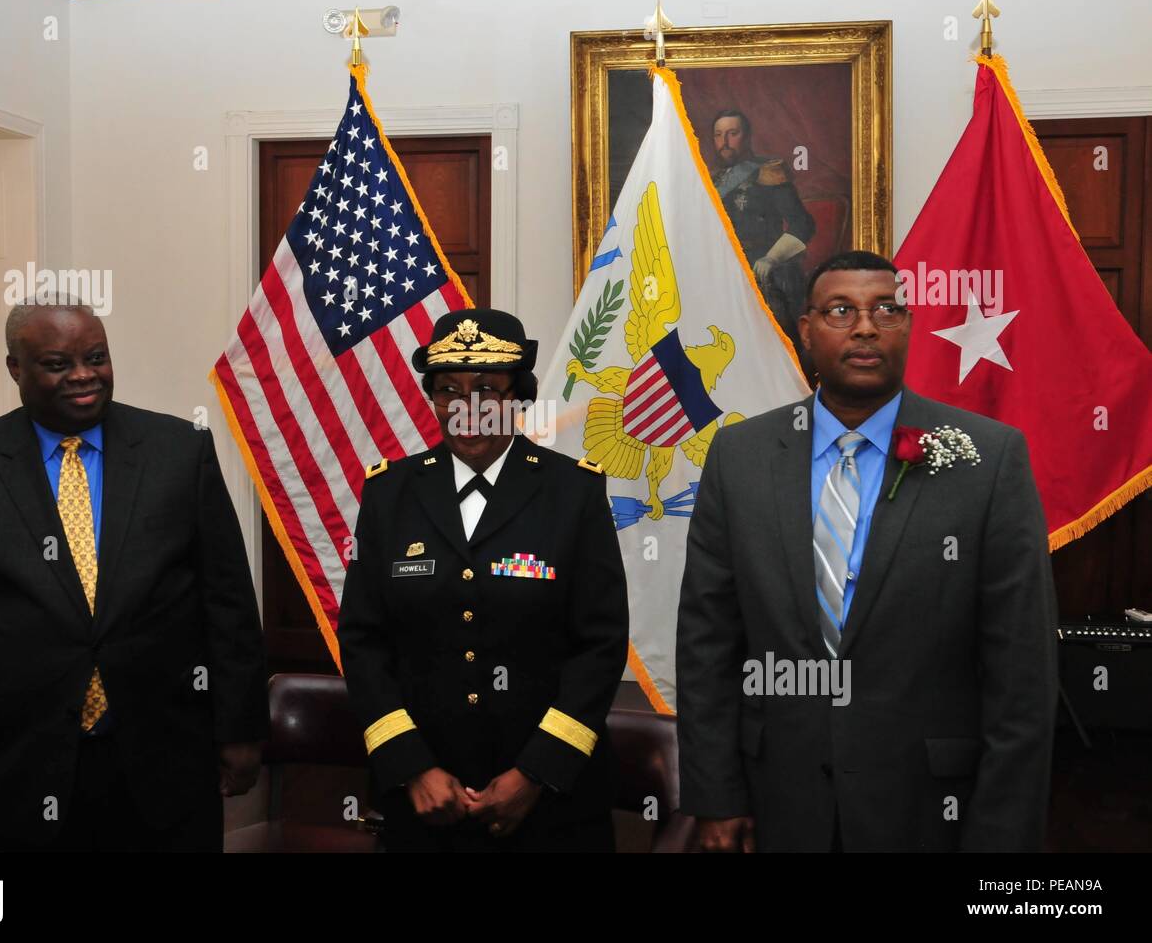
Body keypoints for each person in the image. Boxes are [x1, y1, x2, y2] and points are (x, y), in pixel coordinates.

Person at [676, 251, 1058, 852]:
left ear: (909, 326)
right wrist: (715, 797)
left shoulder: (987, 458)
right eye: (840, 310)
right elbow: (707, 644)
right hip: (777, 804)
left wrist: (1002, 836)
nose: (864, 327)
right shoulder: (739, 456)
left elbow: (1022, 671)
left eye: (887, 309)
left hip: (932, 813)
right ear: (806, 330)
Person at [0, 297, 268, 852]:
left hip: (165, 761)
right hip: (15, 768)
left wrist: (241, 728)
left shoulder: (178, 452)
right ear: (16, 368)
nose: (84, 376)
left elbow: (228, 600)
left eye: (96, 357)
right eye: (58, 364)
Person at [339, 308, 630, 852]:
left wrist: (536, 773)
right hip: (423, 805)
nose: (466, 408)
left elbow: (601, 645)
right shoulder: (388, 494)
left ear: (518, 397)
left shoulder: (573, 493)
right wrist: (412, 767)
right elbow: (363, 642)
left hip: (553, 806)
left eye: (487, 390)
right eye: (449, 389)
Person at [708, 109, 816, 372]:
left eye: (732, 134)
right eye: (718, 135)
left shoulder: (768, 172)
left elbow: (803, 224)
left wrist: (772, 258)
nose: (725, 141)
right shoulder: (711, 180)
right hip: (721, 272)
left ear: (746, 137)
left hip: (764, 270)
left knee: (775, 344)